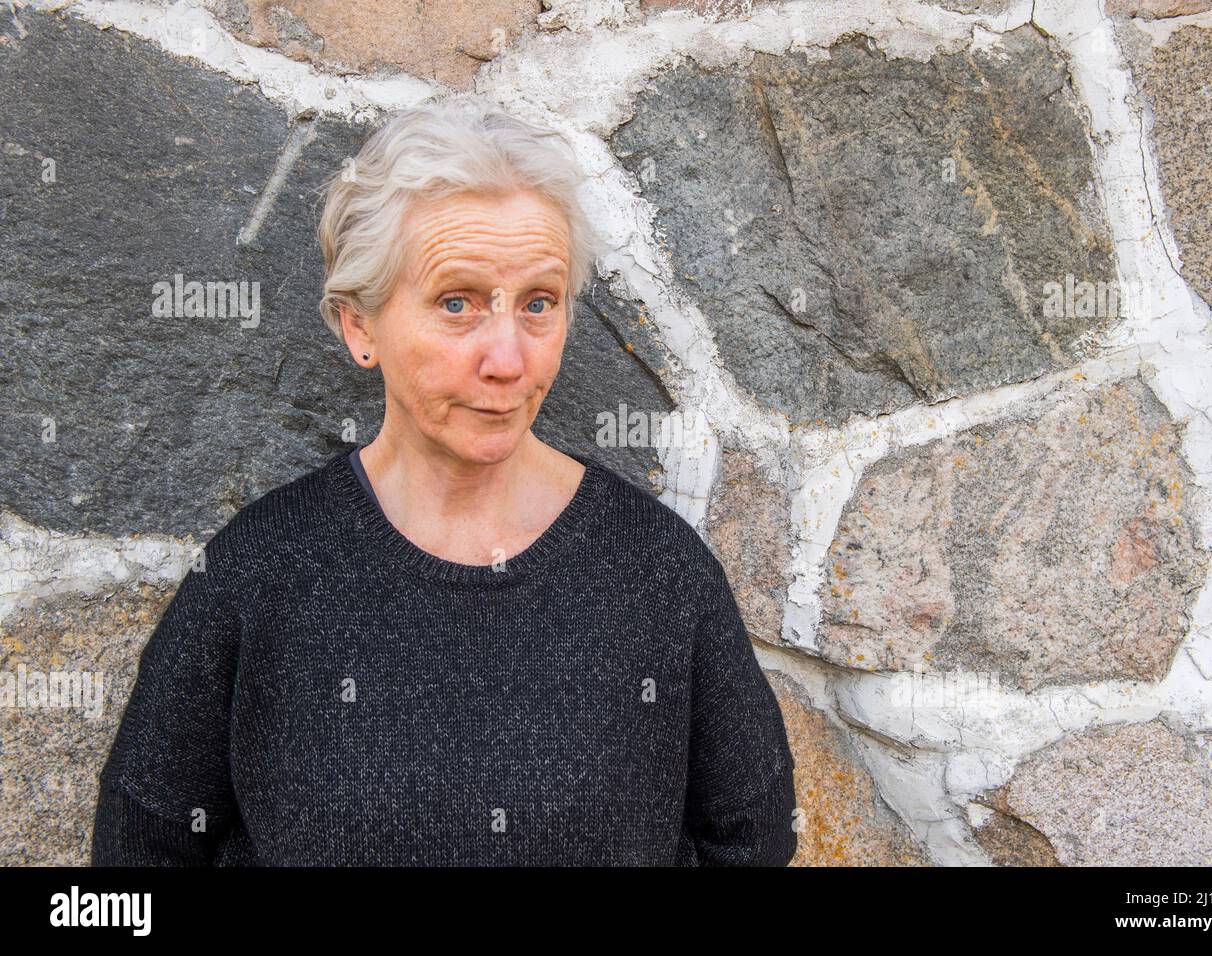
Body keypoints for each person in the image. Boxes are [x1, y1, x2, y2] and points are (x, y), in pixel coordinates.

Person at [90, 96, 798, 866]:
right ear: (360, 325)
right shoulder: (259, 573)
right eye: (457, 302)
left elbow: (752, 839)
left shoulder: (657, 572)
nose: (508, 359)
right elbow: (137, 859)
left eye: (539, 303)